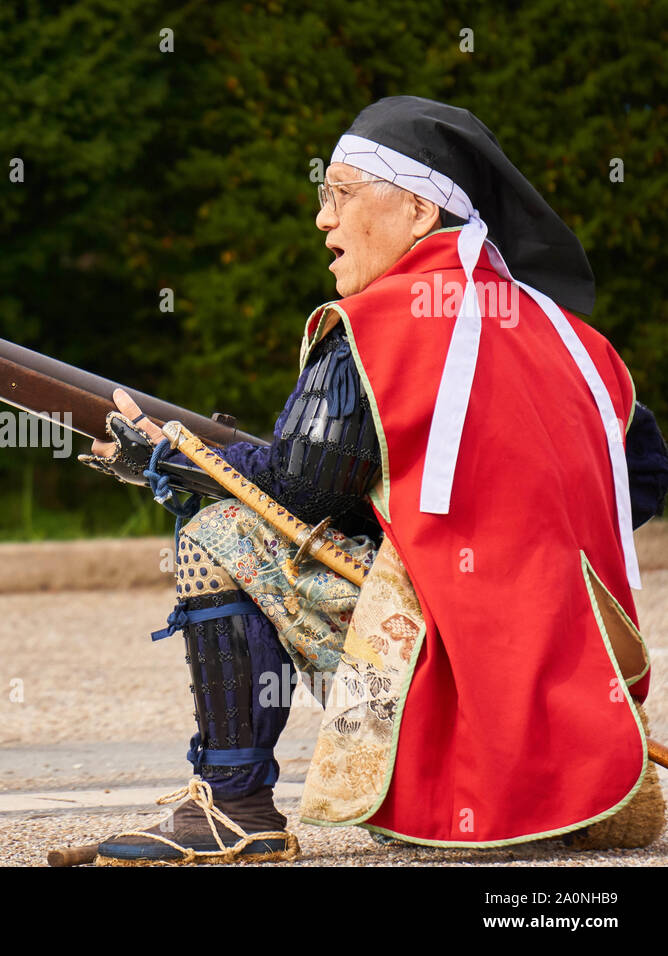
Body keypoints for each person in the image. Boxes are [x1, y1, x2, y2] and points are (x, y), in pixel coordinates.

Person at [82, 96, 668, 864]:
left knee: (216, 535)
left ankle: (235, 809)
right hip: (571, 679)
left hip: (446, 678)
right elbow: (645, 477)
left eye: (342, 194)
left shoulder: (375, 323)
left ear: (419, 209)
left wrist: (176, 456)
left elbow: (304, 490)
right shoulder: (581, 345)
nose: (323, 219)